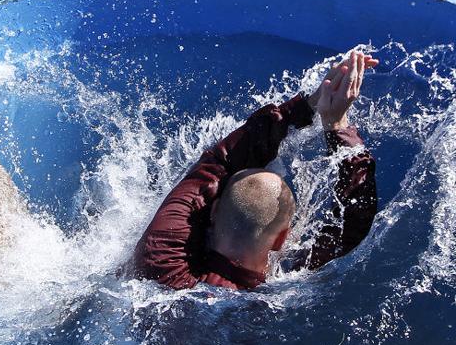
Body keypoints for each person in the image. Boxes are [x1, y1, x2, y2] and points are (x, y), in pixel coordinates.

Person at [132, 50, 379, 290]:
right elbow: (354, 222)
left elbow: (218, 163)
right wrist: (336, 123)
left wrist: (308, 105)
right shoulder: (277, 291)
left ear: (214, 210)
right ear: (282, 239)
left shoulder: (161, 259)